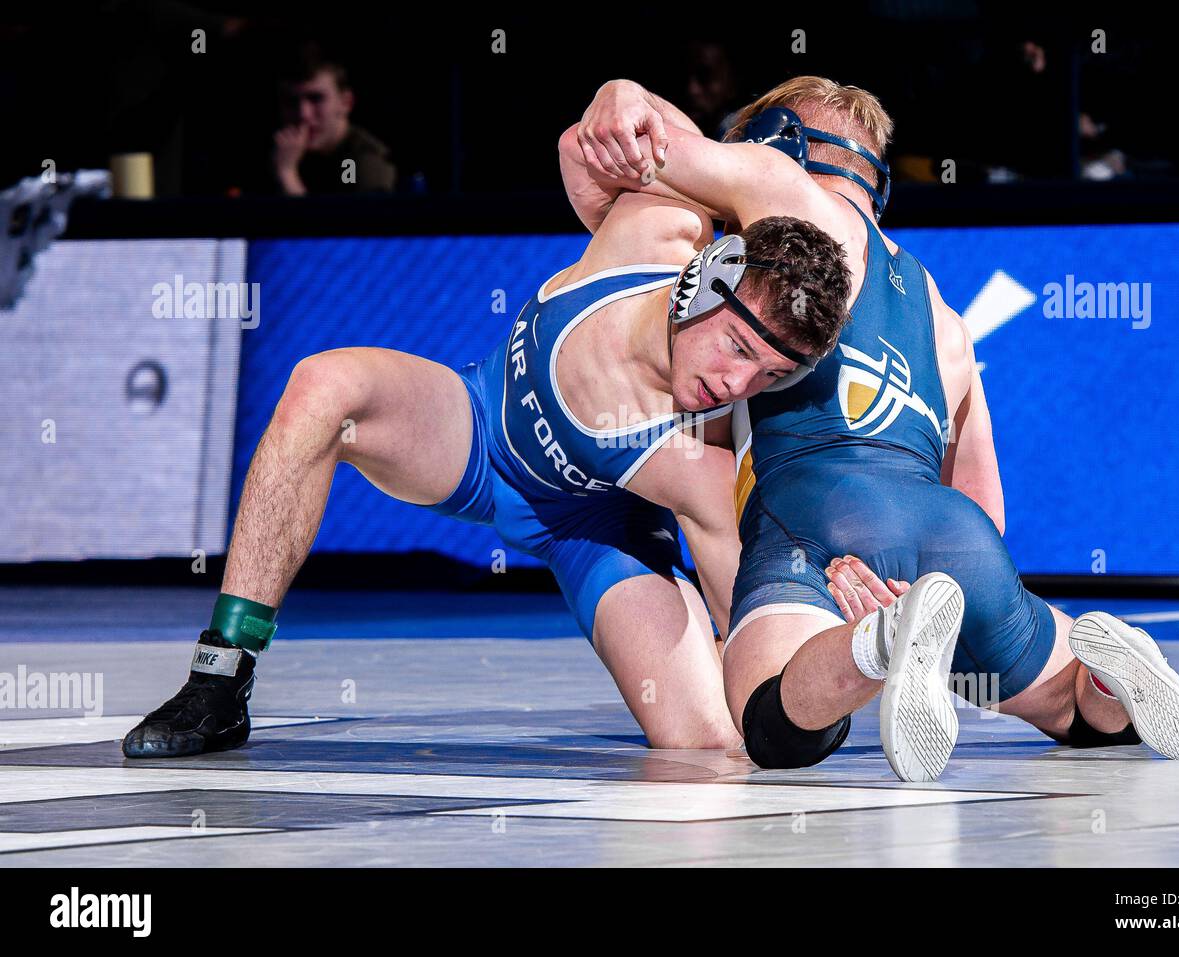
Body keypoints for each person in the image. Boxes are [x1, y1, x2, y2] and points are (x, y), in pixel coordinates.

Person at [565, 76, 1179, 781]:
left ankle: (874, 644)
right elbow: (982, 506)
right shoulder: (947, 320)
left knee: (767, 719)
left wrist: (616, 94)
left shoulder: (780, 195)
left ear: (779, 144)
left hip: (813, 512)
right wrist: (946, 591)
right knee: (1074, 717)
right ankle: (1102, 679)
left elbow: (625, 158)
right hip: (954, 536)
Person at [123, 149, 852, 756]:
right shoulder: (650, 231)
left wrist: (819, 683)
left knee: (711, 740)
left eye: (770, 376)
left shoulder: (694, 460)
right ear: (704, 283)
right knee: (323, 386)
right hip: (479, 428)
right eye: (736, 348)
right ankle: (220, 679)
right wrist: (617, 99)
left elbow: (755, 648)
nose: (735, 383)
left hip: (597, 534)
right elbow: (586, 144)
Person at [272, 56, 396, 196]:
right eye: (291, 101)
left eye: (316, 98)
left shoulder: (354, 162)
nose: (303, 114)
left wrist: (287, 174)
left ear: (345, 103)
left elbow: (350, 216)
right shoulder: (284, 152)